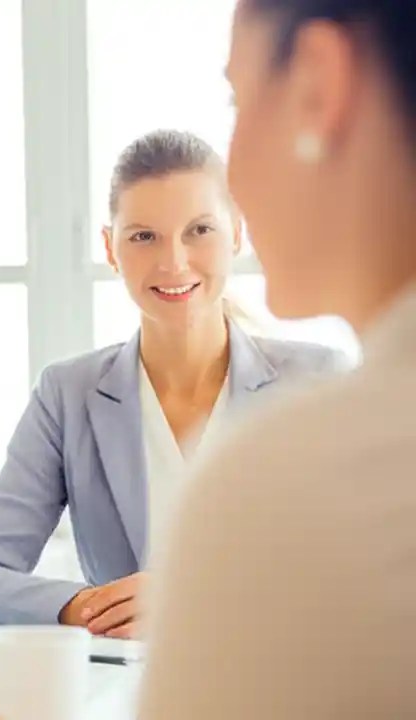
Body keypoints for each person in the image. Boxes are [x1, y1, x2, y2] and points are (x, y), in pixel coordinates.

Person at [0, 129, 345, 638]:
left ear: (237, 234)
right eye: (143, 236)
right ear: (111, 249)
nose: (173, 262)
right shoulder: (67, 397)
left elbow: (376, 570)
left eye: (199, 230)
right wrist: (97, 606)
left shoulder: (321, 383)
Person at [139, 1, 416, 717]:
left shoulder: (289, 481)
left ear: (319, 85)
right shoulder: (69, 390)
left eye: (238, 97)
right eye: (142, 236)